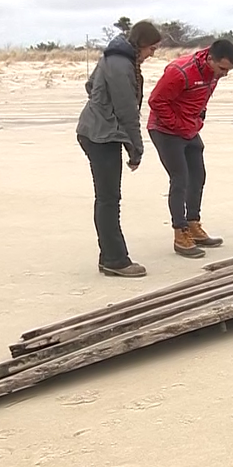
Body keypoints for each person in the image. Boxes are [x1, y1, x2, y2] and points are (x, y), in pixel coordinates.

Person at [75, 20, 165, 277]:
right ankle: (114, 259)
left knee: (107, 198)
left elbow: (91, 86)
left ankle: (110, 257)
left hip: (98, 132)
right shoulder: (121, 64)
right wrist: (136, 149)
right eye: (152, 49)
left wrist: (102, 106)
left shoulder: (115, 57)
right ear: (141, 44)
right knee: (108, 199)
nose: (152, 54)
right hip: (100, 136)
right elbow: (128, 112)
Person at [147, 39, 233, 258]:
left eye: (228, 70)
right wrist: (179, 125)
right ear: (210, 59)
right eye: (222, 69)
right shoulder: (180, 71)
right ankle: (180, 234)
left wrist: (199, 116)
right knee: (180, 179)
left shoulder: (213, 73)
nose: (224, 74)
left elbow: (200, 97)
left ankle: (193, 224)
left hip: (189, 128)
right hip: (165, 129)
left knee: (198, 176)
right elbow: (156, 102)